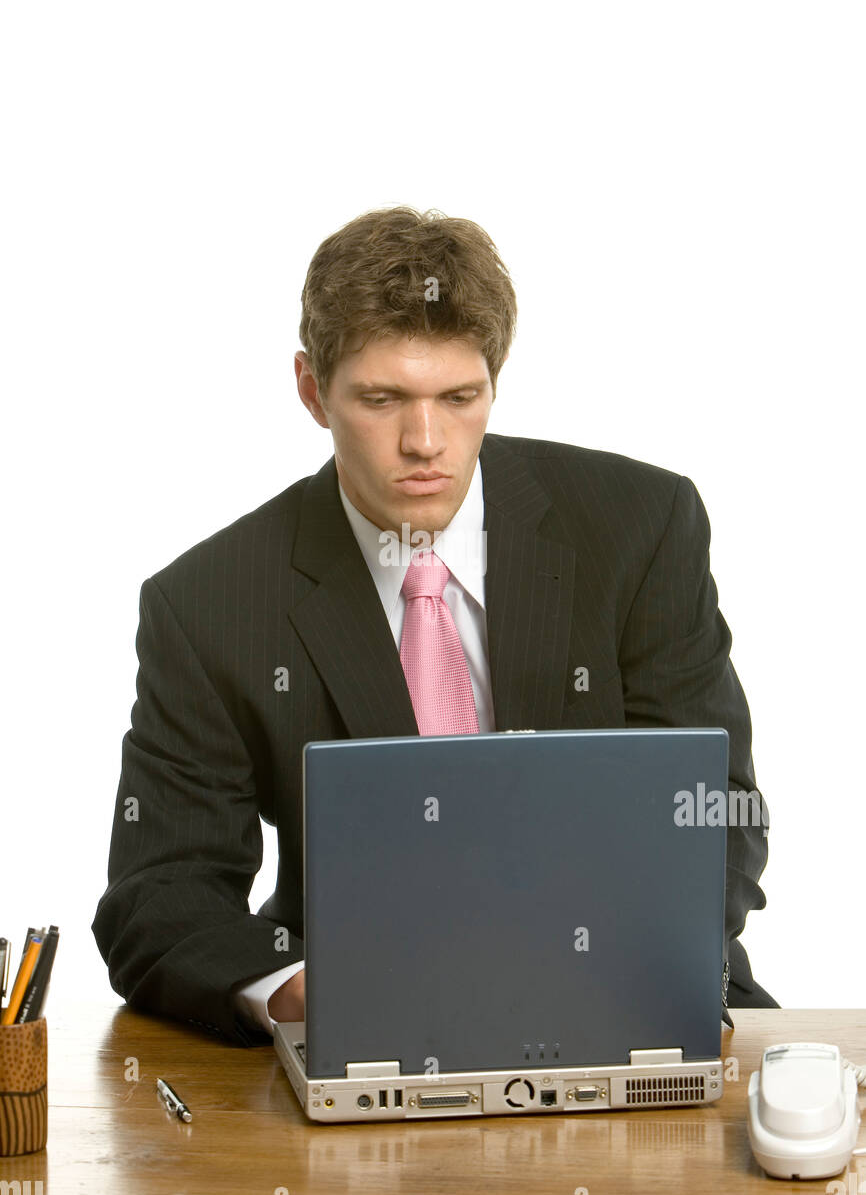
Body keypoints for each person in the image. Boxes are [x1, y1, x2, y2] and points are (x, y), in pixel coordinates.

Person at [92, 205, 777, 1045]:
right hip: (363, 1015)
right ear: (312, 389)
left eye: (460, 397)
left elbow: (719, 810)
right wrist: (301, 991)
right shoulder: (207, 604)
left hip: (626, 986)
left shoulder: (640, 525)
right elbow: (160, 891)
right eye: (382, 399)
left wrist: (606, 965)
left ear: (495, 382)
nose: (426, 441)